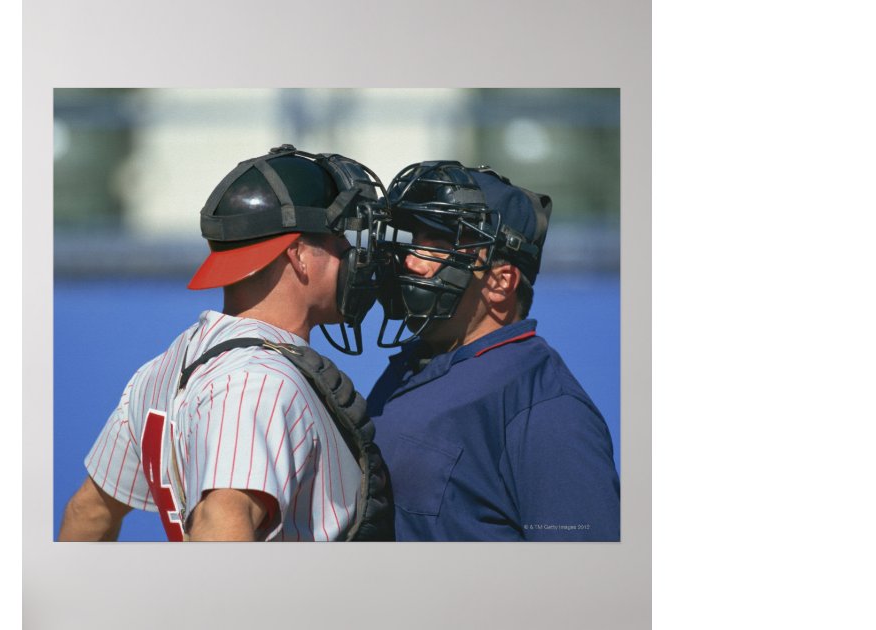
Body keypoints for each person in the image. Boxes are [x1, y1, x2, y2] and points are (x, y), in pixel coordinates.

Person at [59, 145, 391, 542]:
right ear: (299, 254)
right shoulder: (258, 382)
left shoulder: (161, 370)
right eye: (341, 243)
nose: (354, 256)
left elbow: (89, 511)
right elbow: (220, 523)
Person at [367, 160, 620, 541]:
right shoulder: (415, 365)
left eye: (435, 248)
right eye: (411, 241)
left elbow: (584, 575)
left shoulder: (545, 407)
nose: (410, 261)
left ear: (501, 283)